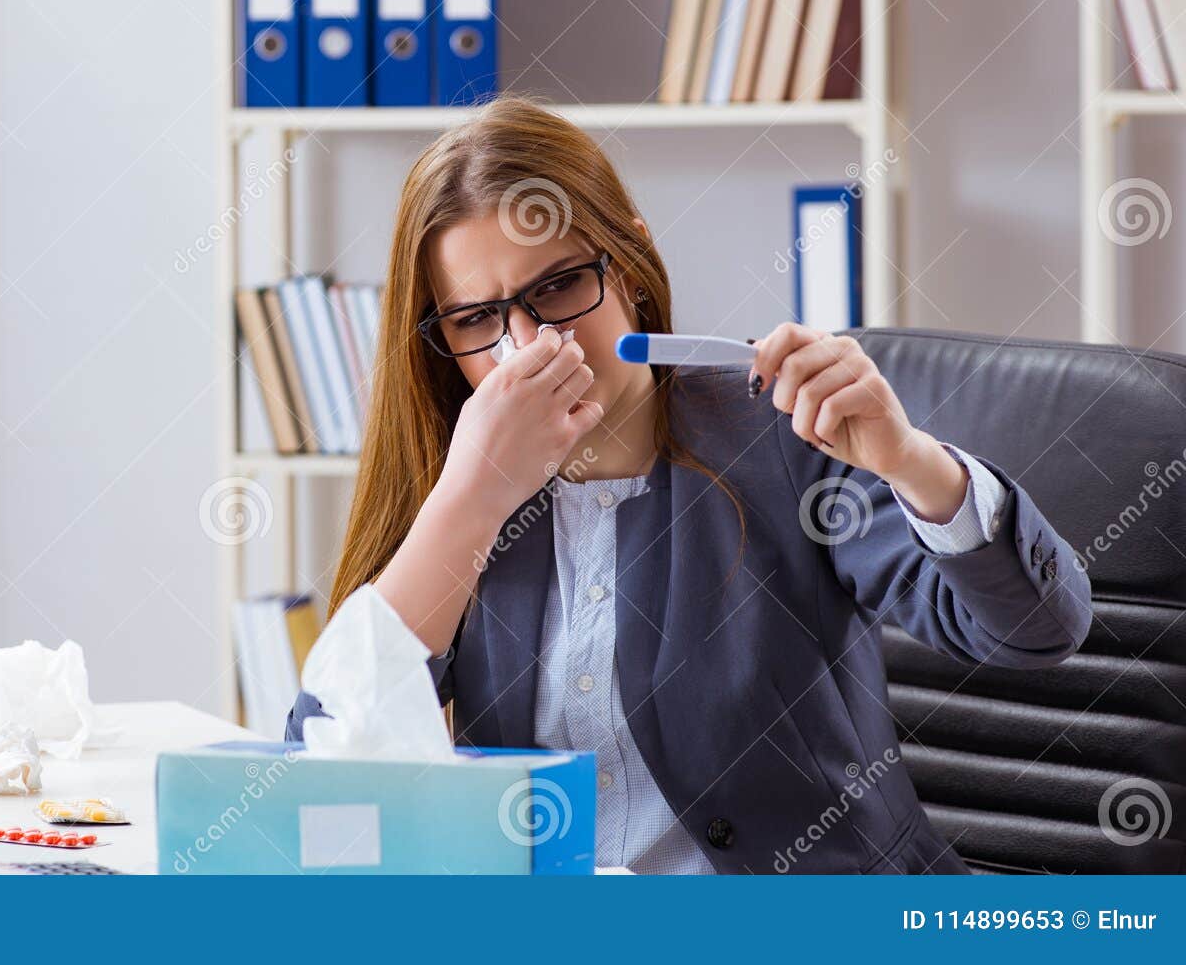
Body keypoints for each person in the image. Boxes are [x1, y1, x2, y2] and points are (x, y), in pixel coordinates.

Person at [284, 97, 1091, 874]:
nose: (527, 348)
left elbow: (1035, 628)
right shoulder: (456, 489)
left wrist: (911, 459)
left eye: (559, 287)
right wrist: (471, 501)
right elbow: (329, 767)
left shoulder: (782, 434)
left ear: (629, 265)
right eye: (478, 320)